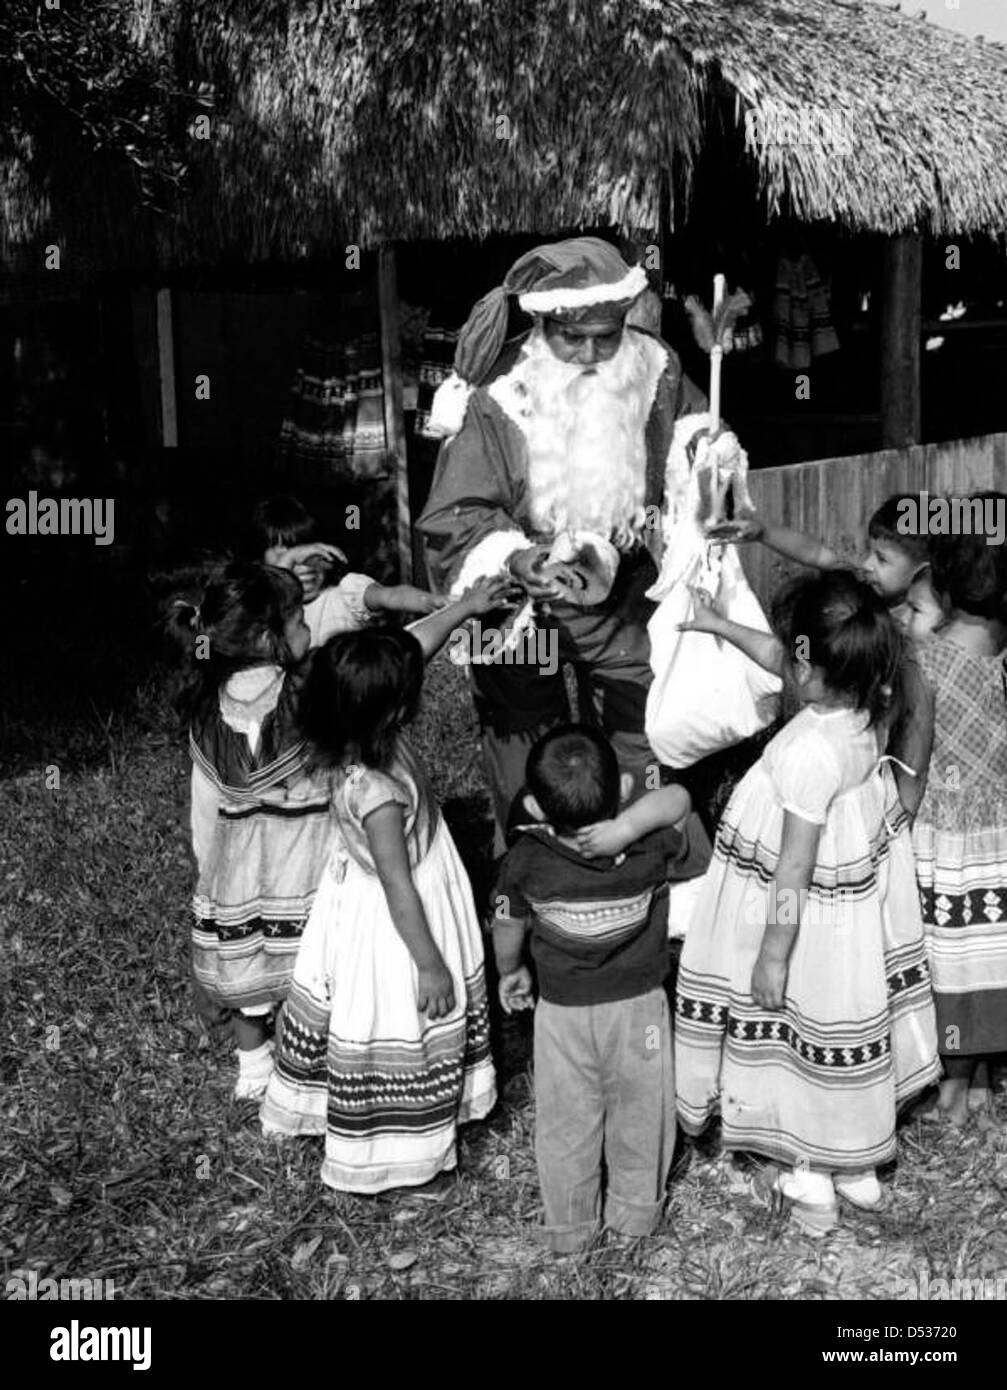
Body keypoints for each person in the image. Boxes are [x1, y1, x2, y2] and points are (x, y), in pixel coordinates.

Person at [417, 237, 728, 853]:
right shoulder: (499, 394)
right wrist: (515, 557)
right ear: (542, 322)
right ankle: (536, 872)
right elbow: (457, 512)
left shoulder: (655, 368)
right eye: (571, 337)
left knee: (639, 713)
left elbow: (694, 443)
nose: (590, 352)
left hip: (625, 587)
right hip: (516, 602)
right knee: (520, 735)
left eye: (606, 335)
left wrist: (711, 467)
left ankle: (644, 854)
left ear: (624, 319)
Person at [675, 570, 939, 1235]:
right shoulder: (864, 701)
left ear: (803, 658)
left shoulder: (807, 754)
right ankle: (857, 1165)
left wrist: (771, 954)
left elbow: (791, 869)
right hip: (847, 910)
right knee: (844, 1019)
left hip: (803, 919)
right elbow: (785, 663)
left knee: (800, 1028)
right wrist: (718, 625)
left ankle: (812, 1176)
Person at [260, 577, 514, 1193]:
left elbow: (410, 646)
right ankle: (404, 1150)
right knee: (399, 1017)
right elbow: (401, 891)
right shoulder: (377, 794)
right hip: (401, 924)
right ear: (395, 709)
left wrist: (464, 609)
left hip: (365, 897)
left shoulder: (357, 725)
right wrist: (429, 963)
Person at [491, 724, 709, 1252]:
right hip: (641, 1014)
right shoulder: (650, 846)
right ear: (625, 793)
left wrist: (510, 970)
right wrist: (629, 824)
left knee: (566, 1121)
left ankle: (569, 1228)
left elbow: (506, 922)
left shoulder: (525, 859)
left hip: (562, 1014)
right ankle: (635, 1216)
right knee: (642, 1110)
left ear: (539, 811)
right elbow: (679, 799)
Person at [170, 561, 330, 1100]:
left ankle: (253, 1064)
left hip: (236, 871)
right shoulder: (304, 694)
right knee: (316, 962)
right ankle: (315, 1058)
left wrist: (209, 872)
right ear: (268, 638)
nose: (309, 631)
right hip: (306, 862)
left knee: (248, 974)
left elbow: (204, 806)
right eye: (300, 620)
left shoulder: (208, 711)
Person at [910, 527, 1007, 1124]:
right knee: (994, 953)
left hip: (945, 837)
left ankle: (951, 1085)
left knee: (948, 955)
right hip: (999, 831)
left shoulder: (924, 659)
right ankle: (983, 1078)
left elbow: (913, 760)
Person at [251, 494, 441, 647]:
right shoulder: (260, 613)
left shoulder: (345, 594)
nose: (303, 566)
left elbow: (389, 596)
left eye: (310, 553)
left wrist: (432, 602)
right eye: (290, 557)